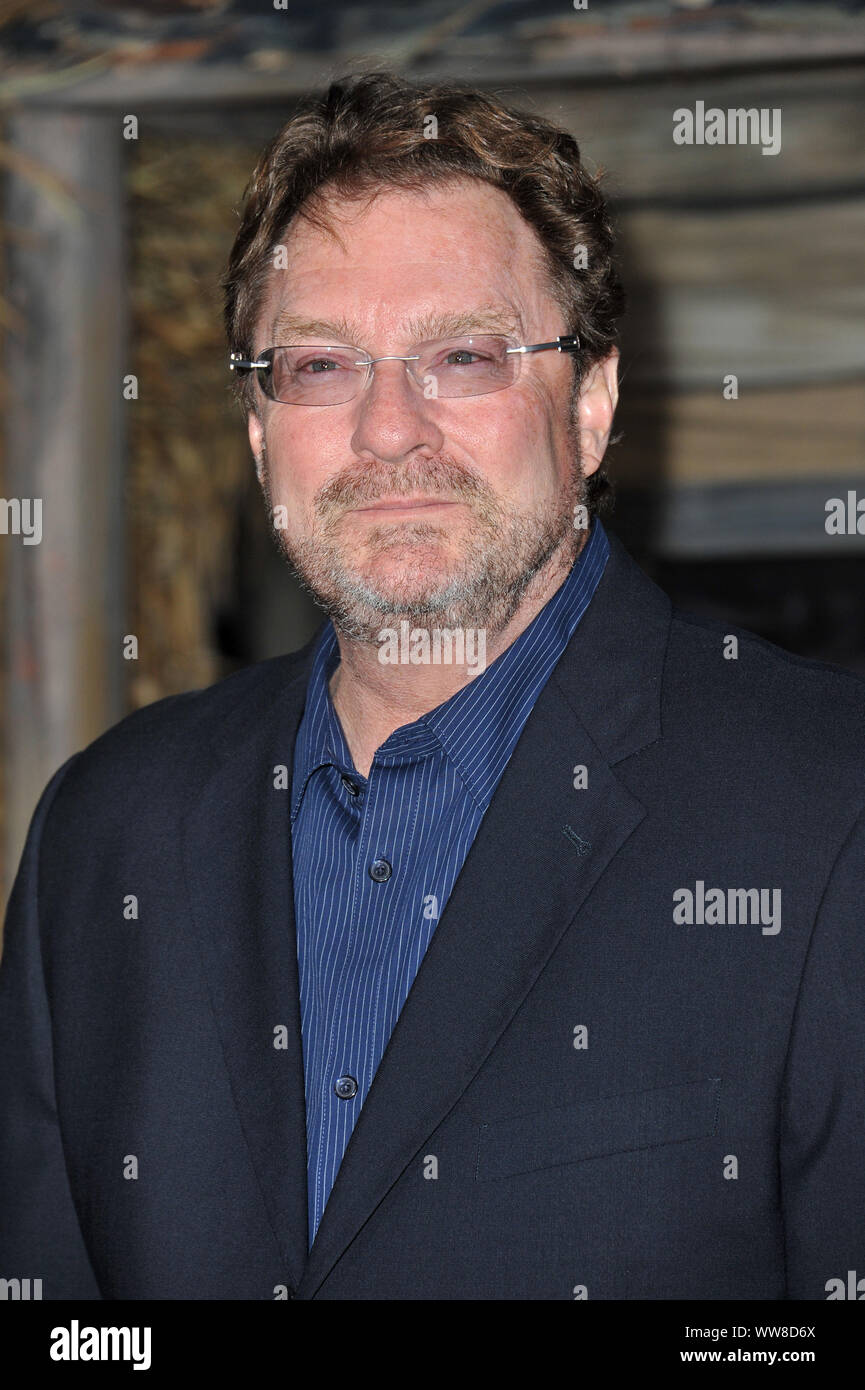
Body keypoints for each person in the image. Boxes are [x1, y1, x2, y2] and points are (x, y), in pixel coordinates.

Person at [1, 71, 863, 1301]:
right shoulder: (105, 831)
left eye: (463, 355)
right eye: (320, 366)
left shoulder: (829, 812)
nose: (389, 428)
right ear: (258, 431)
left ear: (593, 403)